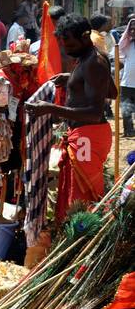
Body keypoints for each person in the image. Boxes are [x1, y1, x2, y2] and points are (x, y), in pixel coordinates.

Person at [26, 13, 117, 215]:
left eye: (69, 43)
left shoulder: (94, 62)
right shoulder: (89, 58)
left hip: (89, 136)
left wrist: (50, 108)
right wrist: (72, 79)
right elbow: (111, 92)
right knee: (74, 194)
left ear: (85, 37)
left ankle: (81, 244)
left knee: (82, 201)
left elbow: (94, 113)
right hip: (86, 134)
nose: (65, 48)